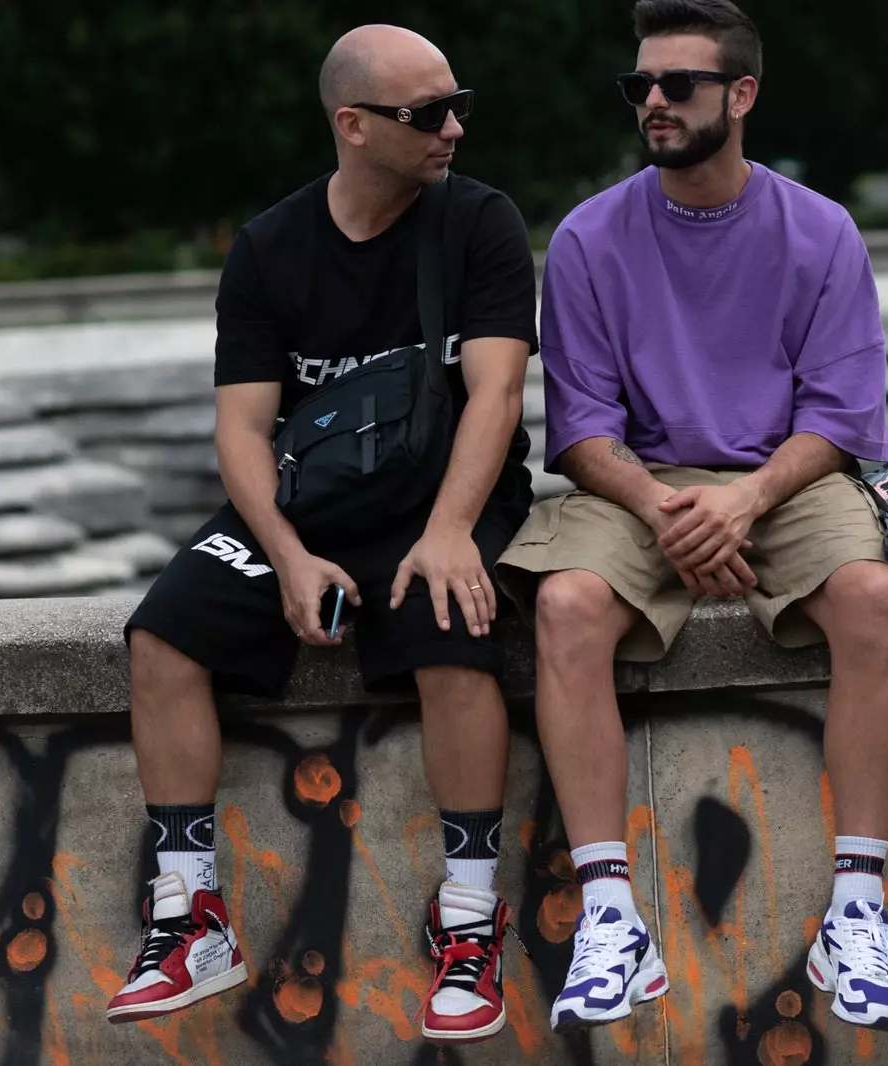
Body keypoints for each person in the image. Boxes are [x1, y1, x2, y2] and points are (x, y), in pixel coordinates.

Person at [496, 0, 888, 1035]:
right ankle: (610, 916)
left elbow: (839, 419)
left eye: (676, 84)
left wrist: (742, 502)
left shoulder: (820, 230)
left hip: (781, 475)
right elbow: (583, 431)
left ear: (740, 95)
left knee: (871, 596)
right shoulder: (591, 236)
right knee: (565, 609)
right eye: (637, 85)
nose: (651, 101)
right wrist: (667, 507)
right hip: (636, 483)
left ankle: (856, 906)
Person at [106, 25, 538, 1045]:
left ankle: (467, 920)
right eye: (426, 112)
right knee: (162, 635)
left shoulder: (477, 222)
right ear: (352, 126)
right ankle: (190, 914)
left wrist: (448, 532)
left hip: (447, 495)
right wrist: (288, 555)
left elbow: (498, 392)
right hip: (310, 505)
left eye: (457, 102)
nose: (453, 127)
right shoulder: (269, 246)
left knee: (449, 624)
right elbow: (242, 426)